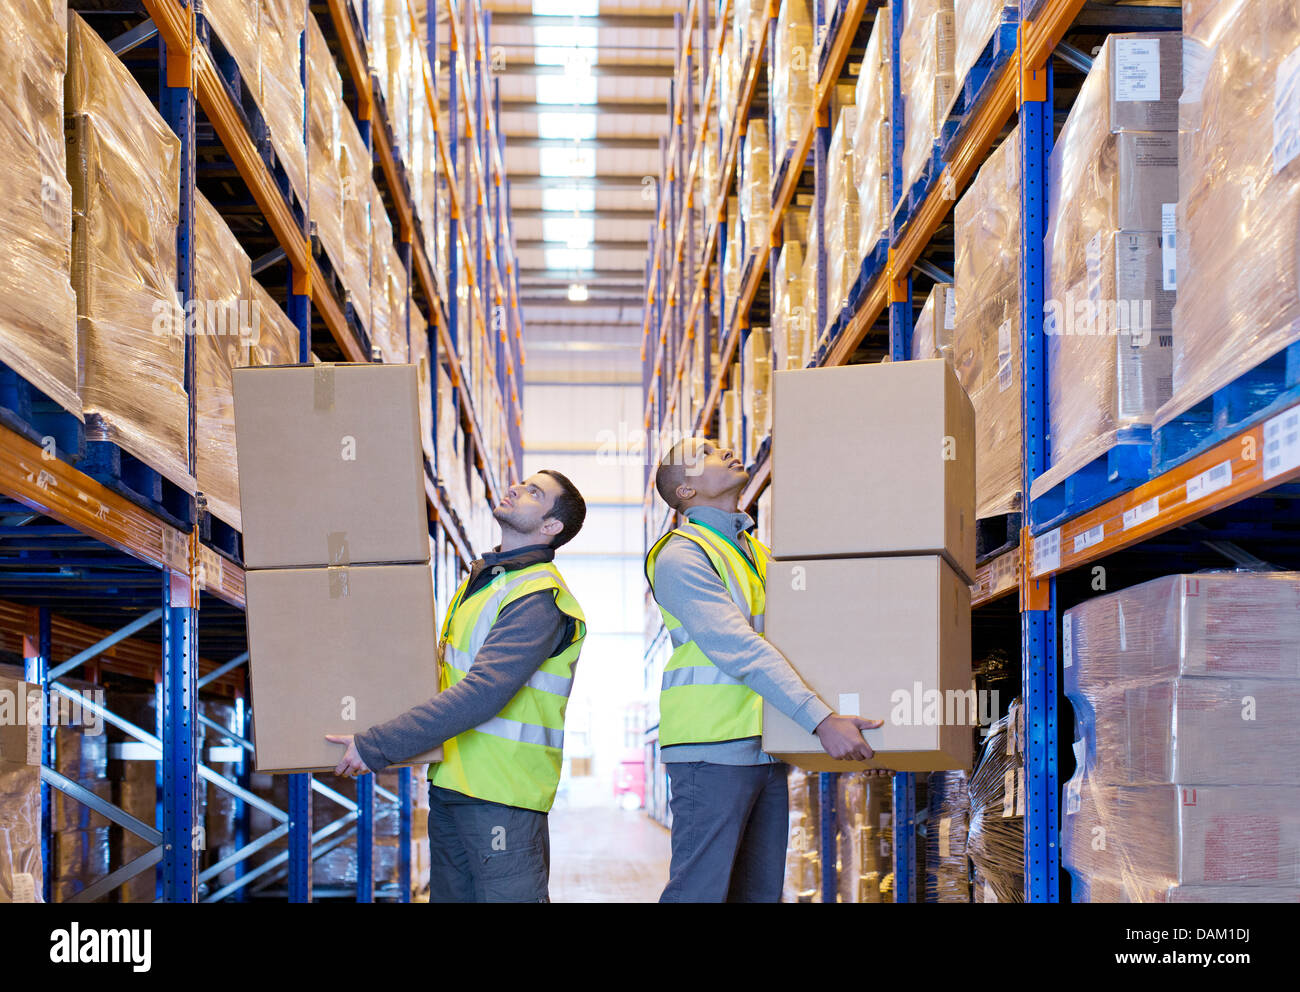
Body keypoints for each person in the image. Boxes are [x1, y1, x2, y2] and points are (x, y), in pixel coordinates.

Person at [327, 469, 587, 903]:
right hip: (453, 785)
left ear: (551, 527)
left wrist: (376, 744)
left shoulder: (538, 596)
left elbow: (483, 691)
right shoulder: (486, 583)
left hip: (502, 794)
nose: (516, 489)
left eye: (534, 492)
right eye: (522, 483)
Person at [646, 437, 883, 903]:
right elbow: (738, 646)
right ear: (685, 493)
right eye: (707, 454)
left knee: (757, 893)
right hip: (711, 749)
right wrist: (820, 720)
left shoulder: (756, 553)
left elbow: (807, 641)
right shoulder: (680, 556)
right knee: (700, 892)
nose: (727, 451)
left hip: (766, 746)